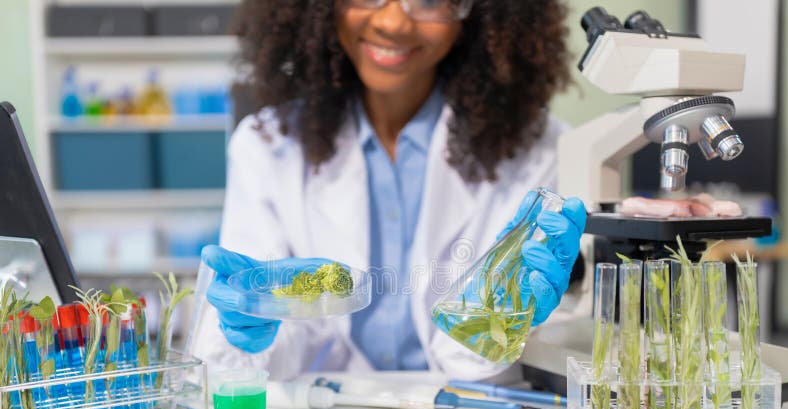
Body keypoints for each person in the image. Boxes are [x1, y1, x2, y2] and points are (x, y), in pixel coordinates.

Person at [197, 0, 586, 381]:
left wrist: (501, 320)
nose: (393, 22)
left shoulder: (538, 150)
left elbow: (474, 359)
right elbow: (260, 359)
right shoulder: (268, 146)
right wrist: (254, 328)